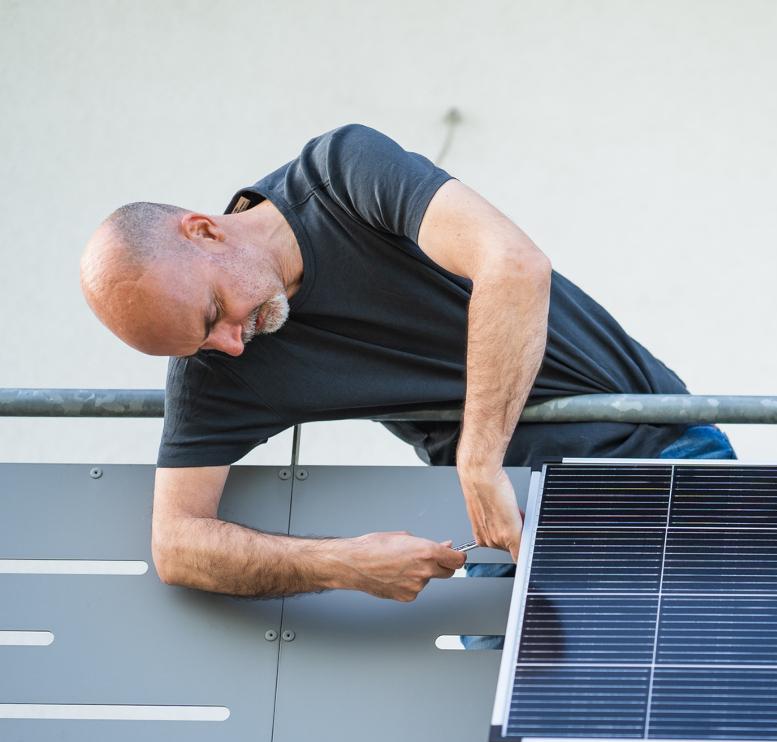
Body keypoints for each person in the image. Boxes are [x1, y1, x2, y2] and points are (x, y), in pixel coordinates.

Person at [79, 124, 732, 599]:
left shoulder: (338, 173)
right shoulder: (218, 363)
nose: (225, 344)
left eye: (211, 314)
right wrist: (342, 563)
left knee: (730, 717)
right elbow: (177, 545)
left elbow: (513, 264)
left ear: (205, 231)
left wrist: (479, 462)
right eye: (196, 346)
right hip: (513, 529)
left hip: (662, 457)